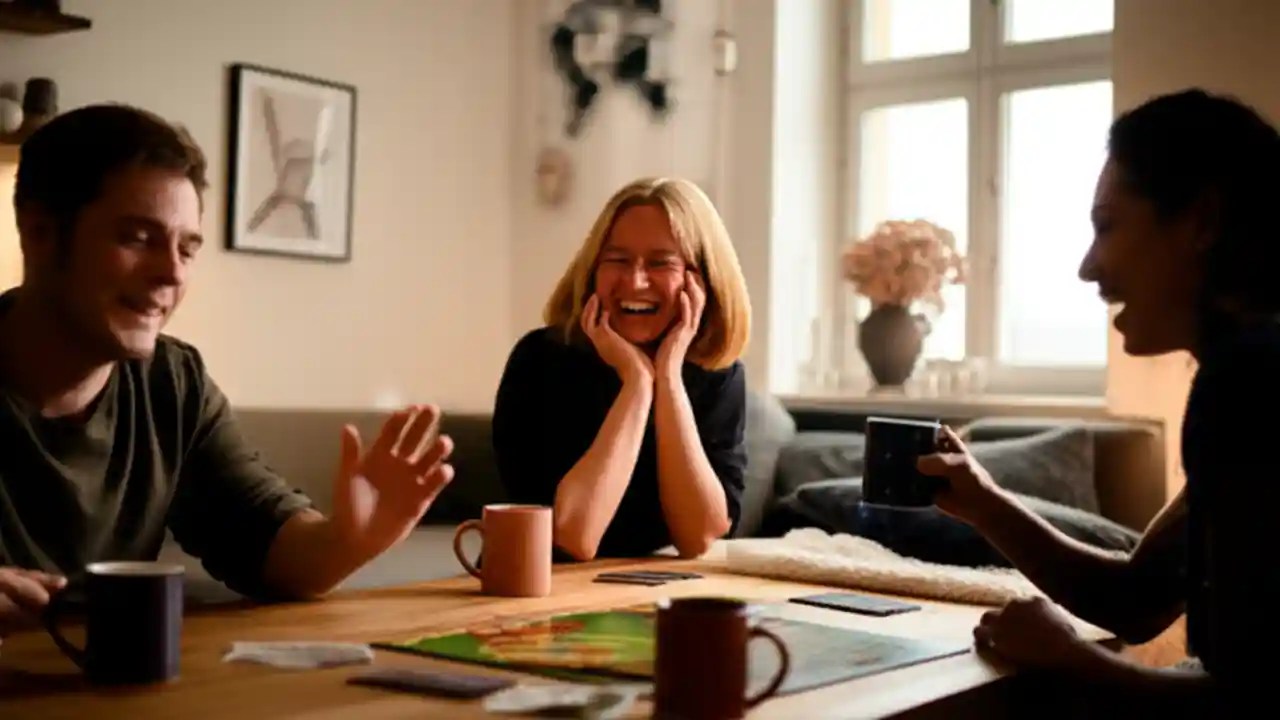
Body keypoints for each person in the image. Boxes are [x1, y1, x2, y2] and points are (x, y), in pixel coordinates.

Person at [0, 104, 455, 641]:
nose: (171, 272)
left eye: (187, 248)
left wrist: (351, 539)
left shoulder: (174, 382)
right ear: (39, 233)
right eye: (138, 238)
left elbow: (273, 548)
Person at [917, 88, 1280, 713]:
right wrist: (982, 501)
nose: (1089, 268)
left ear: (1202, 221)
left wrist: (1073, 660)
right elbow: (1137, 599)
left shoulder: (1250, 387)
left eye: (1107, 226)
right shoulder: (1245, 373)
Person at [492, 177, 751, 561]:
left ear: (699, 281)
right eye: (617, 260)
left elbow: (698, 537)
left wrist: (668, 377)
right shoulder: (539, 359)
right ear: (593, 269)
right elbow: (573, 536)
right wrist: (637, 385)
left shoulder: (717, 375)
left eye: (661, 263)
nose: (635, 281)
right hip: (537, 588)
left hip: (642, 596)